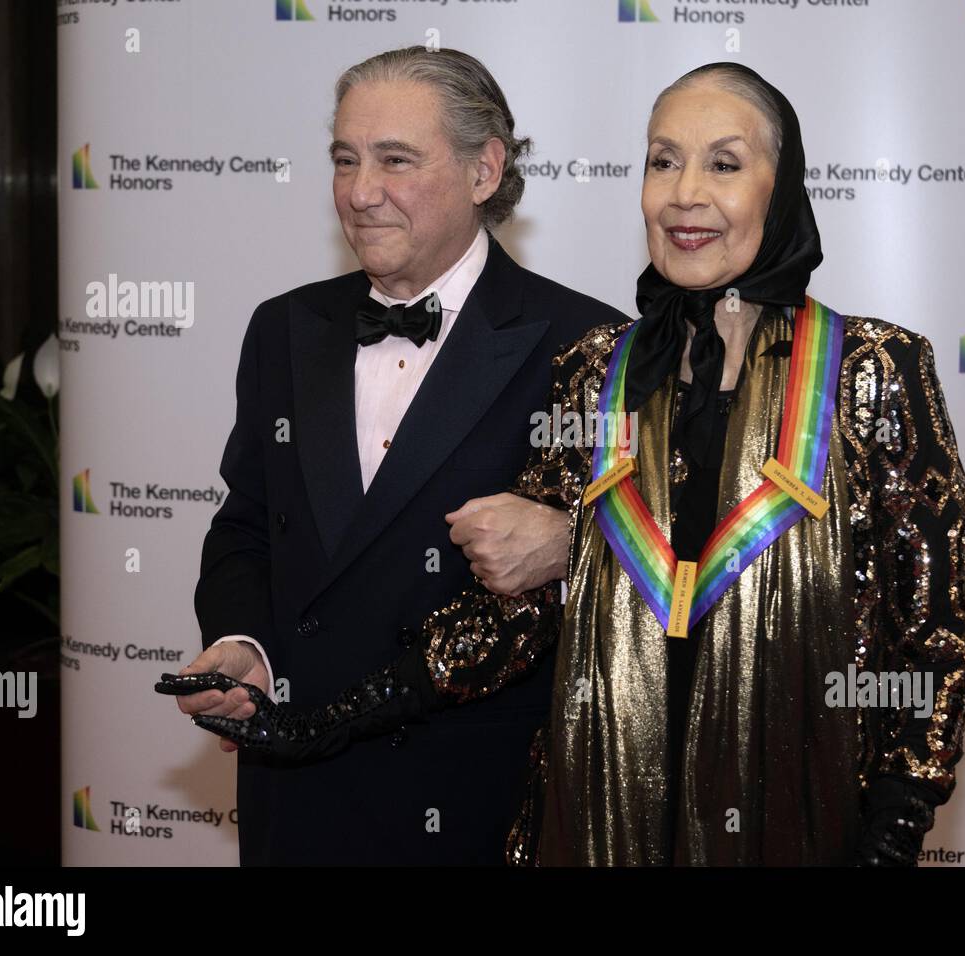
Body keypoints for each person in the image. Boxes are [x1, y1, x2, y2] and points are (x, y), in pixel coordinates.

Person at [162, 62, 965, 867]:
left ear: (784, 185)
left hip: (794, 819)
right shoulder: (602, 367)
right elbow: (516, 617)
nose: (685, 192)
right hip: (603, 820)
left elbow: (933, 638)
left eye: (724, 164)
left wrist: (892, 828)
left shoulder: (873, 368)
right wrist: (326, 721)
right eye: (663, 161)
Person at [163, 46, 624, 865]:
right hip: (294, 797)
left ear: (484, 170)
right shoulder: (284, 328)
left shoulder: (587, 343)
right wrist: (245, 646)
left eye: (395, 160)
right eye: (345, 159)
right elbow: (247, 527)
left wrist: (572, 544)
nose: (360, 191)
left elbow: (650, 579)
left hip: (477, 801)